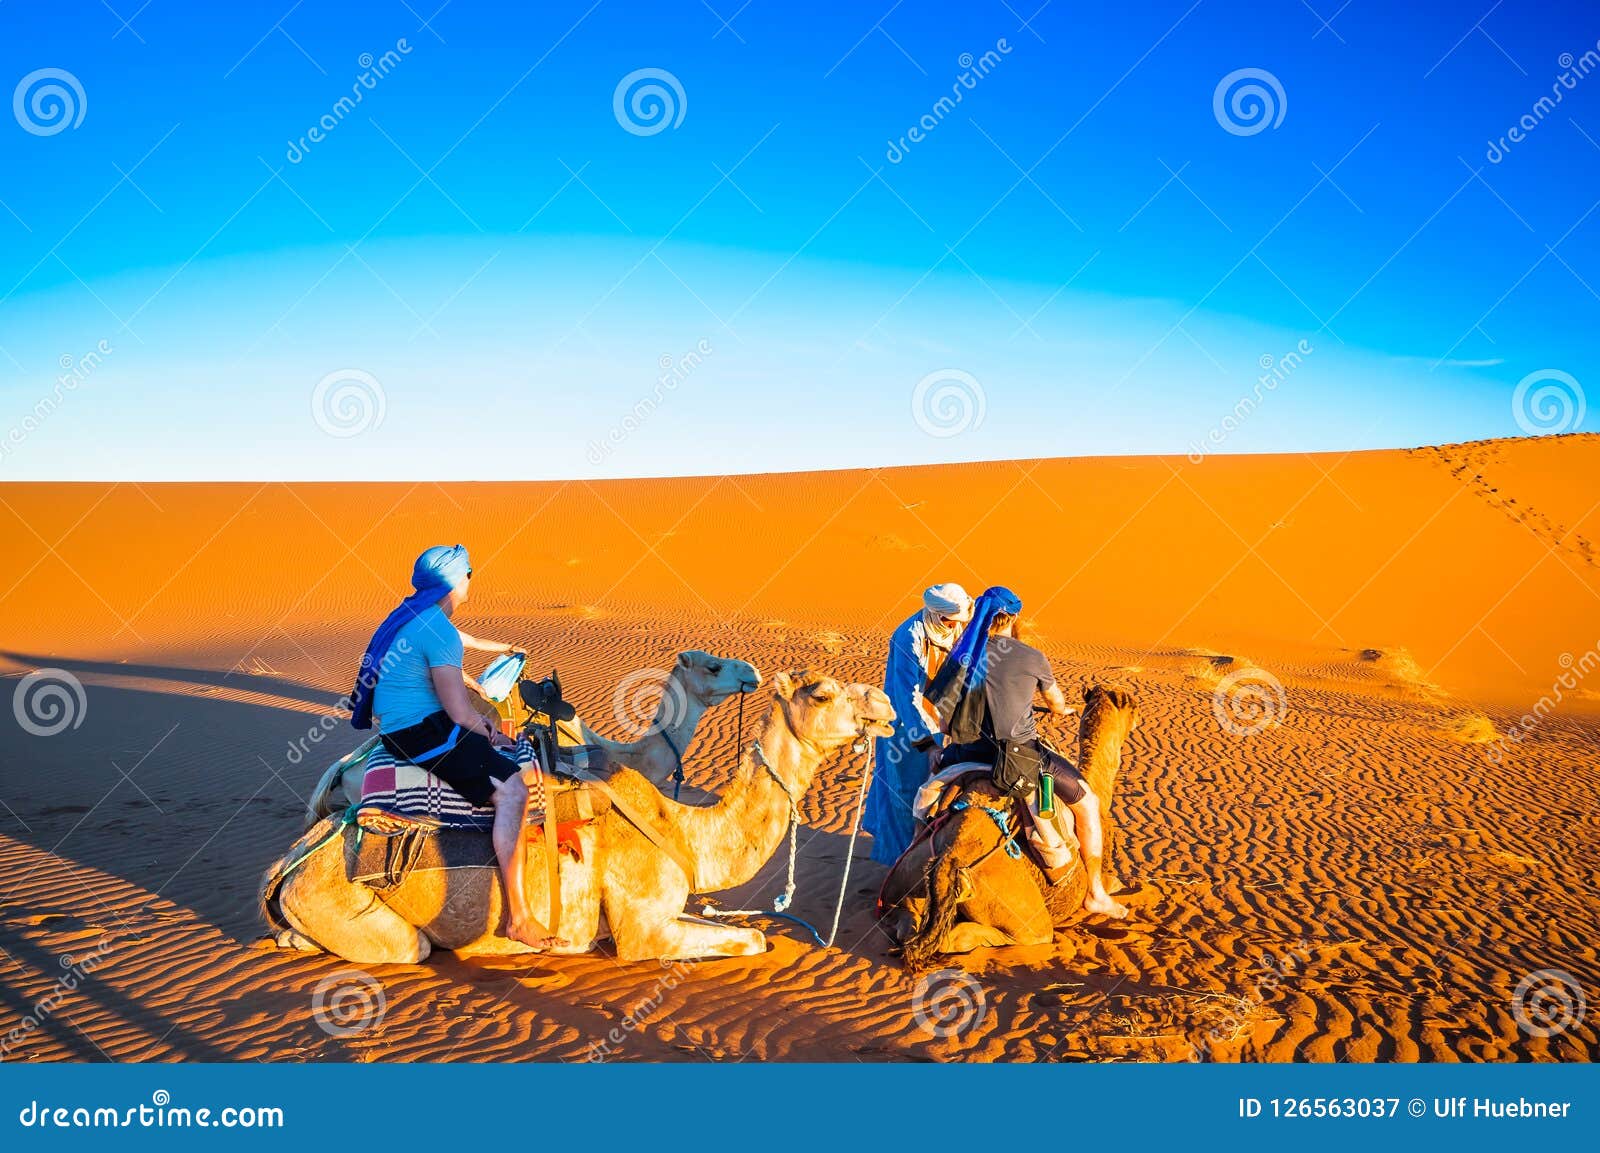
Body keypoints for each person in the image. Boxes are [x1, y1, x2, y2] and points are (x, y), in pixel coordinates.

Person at [347, 544, 562, 948]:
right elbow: (461, 713)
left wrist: (501, 656)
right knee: (514, 791)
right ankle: (520, 917)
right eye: (468, 573)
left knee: (493, 745)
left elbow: (465, 650)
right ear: (454, 579)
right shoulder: (438, 631)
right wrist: (490, 733)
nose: (470, 581)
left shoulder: (414, 616)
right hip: (422, 733)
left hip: (406, 726)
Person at [927, 586, 1126, 919]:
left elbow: (945, 721)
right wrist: (1061, 712)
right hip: (1018, 757)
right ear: (1014, 617)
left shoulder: (960, 657)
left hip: (965, 754)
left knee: (925, 799)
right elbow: (1056, 702)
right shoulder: (1032, 658)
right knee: (1088, 804)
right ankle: (1095, 892)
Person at [864, 582, 973, 864]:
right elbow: (905, 698)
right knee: (905, 796)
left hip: (937, 724)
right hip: (906, 730)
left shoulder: (955, 629)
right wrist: (926, 744)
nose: (954, 626)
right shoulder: (908, 638)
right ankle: (900, 867)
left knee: (933, 791)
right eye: (950, 621)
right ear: (937, 615)